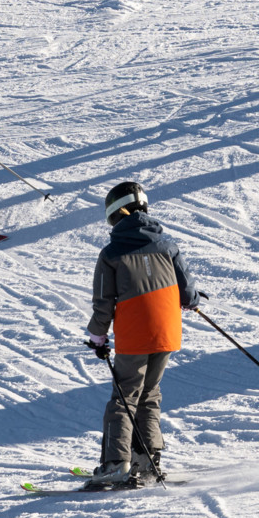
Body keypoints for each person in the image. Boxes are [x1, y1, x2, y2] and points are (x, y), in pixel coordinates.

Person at [83, 181, 202, 490]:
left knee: (123, 397)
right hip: (167, 333)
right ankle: (147, 459)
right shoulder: (167, 245)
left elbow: (103, 304)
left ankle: (116, 464)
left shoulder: (111, 254)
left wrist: (98, 338)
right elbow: (188, 292)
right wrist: (190, 300)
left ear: (114, 214)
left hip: (135, 336)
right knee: (148, 394)